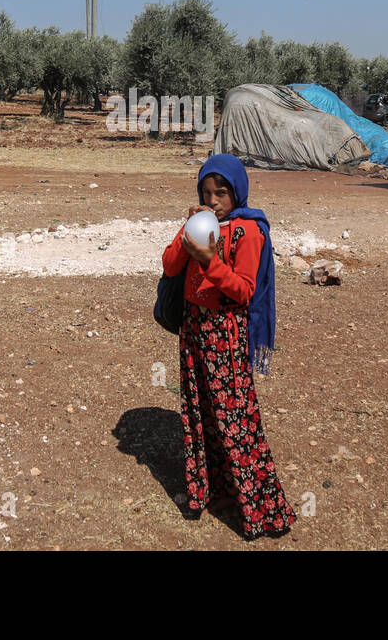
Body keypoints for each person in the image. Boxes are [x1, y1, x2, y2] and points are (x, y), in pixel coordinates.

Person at [161, 153, 296, 539]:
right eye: (206, 192)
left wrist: (209, 261)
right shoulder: (202, 224)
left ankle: (260, 509)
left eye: (221, 193)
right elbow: (170, 266)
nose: (214, 200)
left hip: (225, 335)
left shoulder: (247, 232)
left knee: (236, 421)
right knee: (200, 411)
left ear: (237, 192)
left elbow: (244, 290)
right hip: (194, 333)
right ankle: (212, 490)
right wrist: (187, 232)